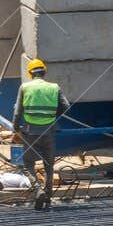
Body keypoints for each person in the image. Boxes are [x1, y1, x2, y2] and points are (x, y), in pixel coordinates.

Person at [13, 58, 68, 210]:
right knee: (49, 165)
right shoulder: (54, 87)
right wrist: (51, 117)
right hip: (49, 131)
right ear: (44, 72)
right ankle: (48, 195)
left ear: (30, 73)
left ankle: (38, 190)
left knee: (28, 164)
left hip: (30, 132)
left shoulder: (25, 87)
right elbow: (66, 106)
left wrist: (15, 128)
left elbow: (18, 112)